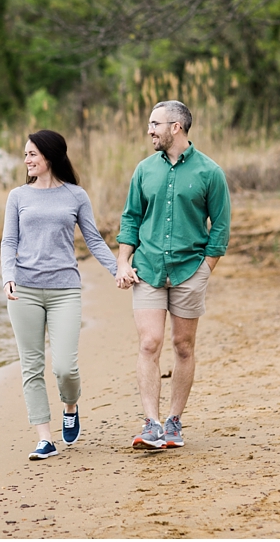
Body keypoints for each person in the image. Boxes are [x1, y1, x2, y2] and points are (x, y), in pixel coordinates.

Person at [115, 100, 231, 450]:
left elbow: (220, 227)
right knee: (149, 343)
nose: (150, 130)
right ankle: (151, 423)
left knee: (183, 346)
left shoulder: (210, 172)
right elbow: (131, 218)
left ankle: (174, 421)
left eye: (155, 124)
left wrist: (205, 270)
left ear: (176, 127)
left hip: (189, 271)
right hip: (148, 269)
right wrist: (123, 262)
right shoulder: (144, 170)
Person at [1, 129, 118, 460]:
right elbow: (9, 241)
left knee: (65, 367)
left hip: (64, 290)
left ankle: (70, 406)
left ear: (49, 156)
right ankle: (44, 439)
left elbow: (93, 239)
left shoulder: (75, 195)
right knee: (32, 366)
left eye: (32, 154)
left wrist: (117, 269)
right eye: (25, 154)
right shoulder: (18, 196)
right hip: (24, 290)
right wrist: (8, 276)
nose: (26, 160)